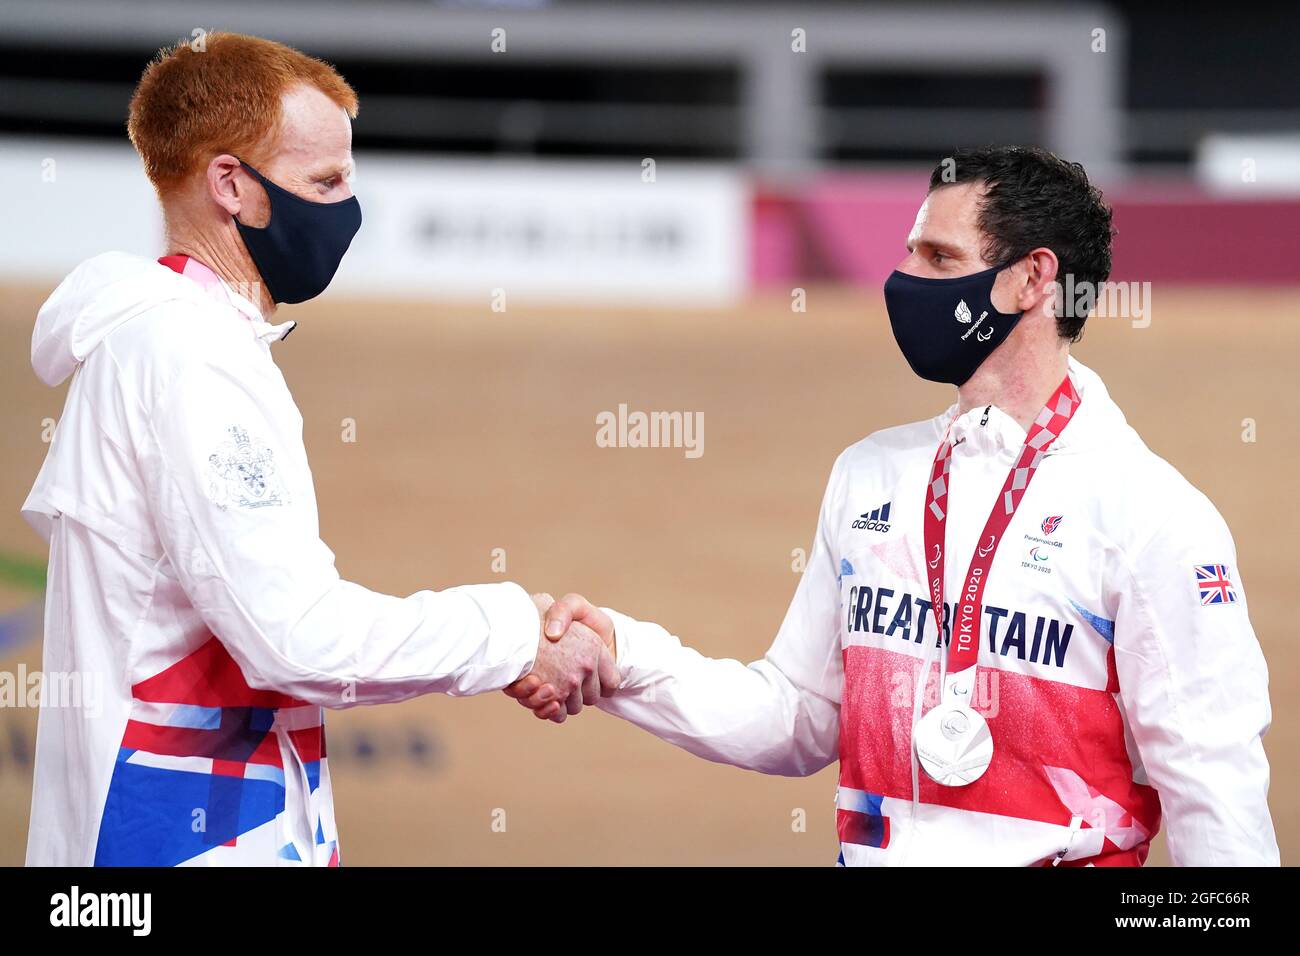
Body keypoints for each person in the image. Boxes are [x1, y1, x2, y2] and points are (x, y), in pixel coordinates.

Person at [512, 146, 1281, 866]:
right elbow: (796, 715)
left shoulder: (1153, 517)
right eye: (910, 250)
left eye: (938, 257)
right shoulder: (870, 474)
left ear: (1032, 279)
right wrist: (626, 657)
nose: (903, 278)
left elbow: (1216, 798)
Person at [21, 32, 614, 867]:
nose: (347, 211)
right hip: (170, 833)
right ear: (231, 184)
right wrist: (513, 630)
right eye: (324, 182)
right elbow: (296, 639)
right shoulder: (191, 358)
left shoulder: (170, 342)